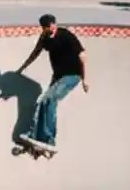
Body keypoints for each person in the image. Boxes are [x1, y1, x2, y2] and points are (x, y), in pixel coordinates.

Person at [15, 14, 88, 153]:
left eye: (53, 26)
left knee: (49, 99)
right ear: (44, 29)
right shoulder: (44, 39)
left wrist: (85, 80)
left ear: (55, 24)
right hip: (58, 77)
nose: (52, 29)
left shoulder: (65, 35)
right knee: (43, 102)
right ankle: (36, 137)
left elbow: (83, 56)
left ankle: (49, 139)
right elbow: (35, 53)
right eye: (49, 28)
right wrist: (23, 67)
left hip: (72, 75)